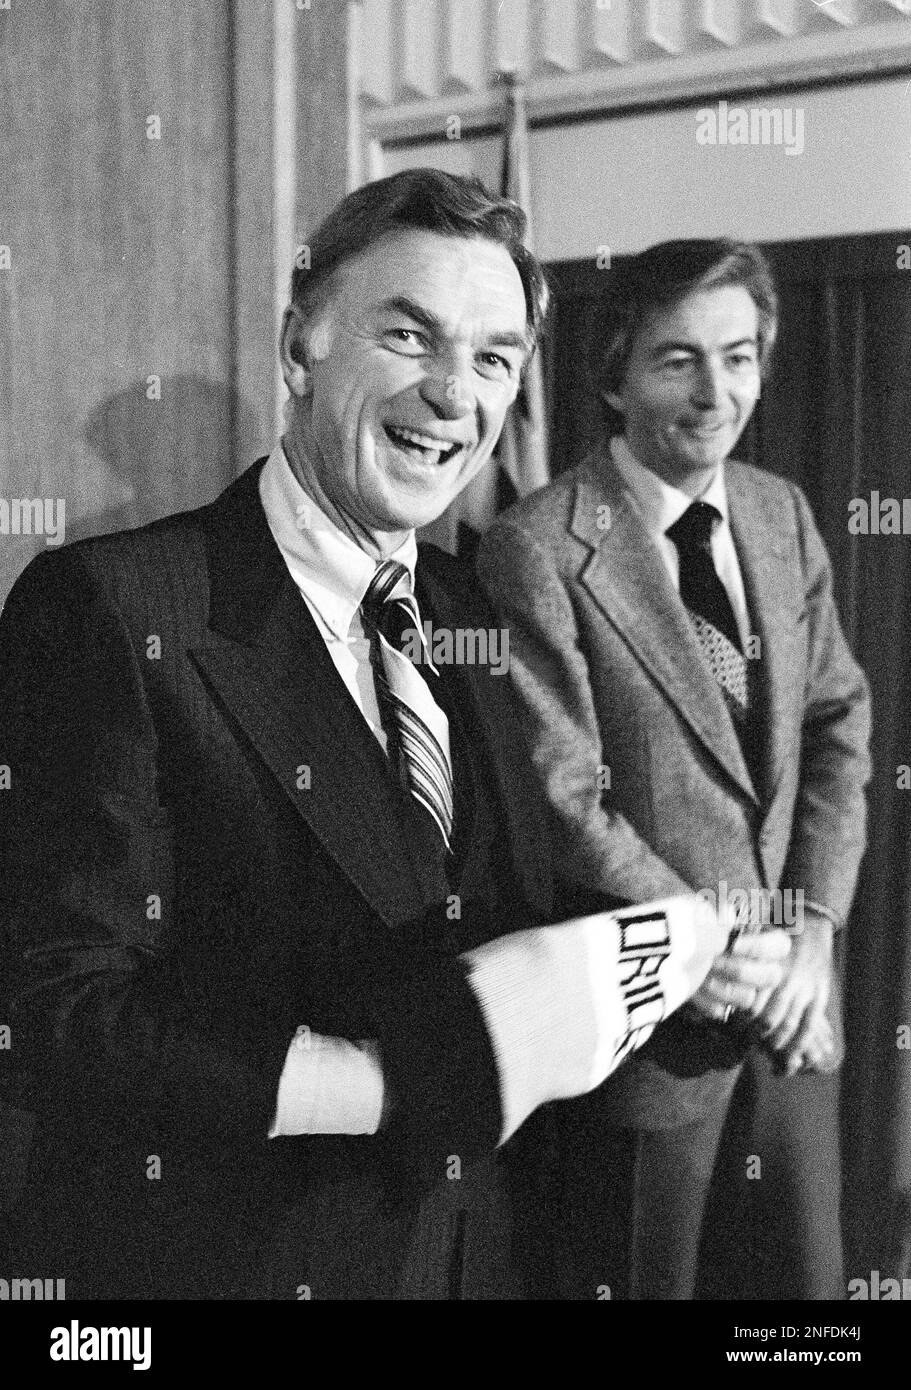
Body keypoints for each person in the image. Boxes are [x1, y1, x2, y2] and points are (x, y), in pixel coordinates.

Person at [0, 174, 739, 1301]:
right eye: (410, 335)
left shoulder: (471, 608)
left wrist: (682, 959)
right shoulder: (109, 606)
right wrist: (392, 1087)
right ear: (301, 344)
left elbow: (502, 925)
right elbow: (57, 1007)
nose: (453, 393)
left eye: (494, 358)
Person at [478, 238, 872, 1300]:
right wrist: (714, 943)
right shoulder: (537, 547)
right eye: (677, 361)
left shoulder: (779, 515)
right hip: (648, 1047)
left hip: (789, 1025)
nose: (715, 393)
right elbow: (563, 799)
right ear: (610, 374)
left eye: (737, 357)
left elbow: (838, 722)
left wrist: (814, 935)